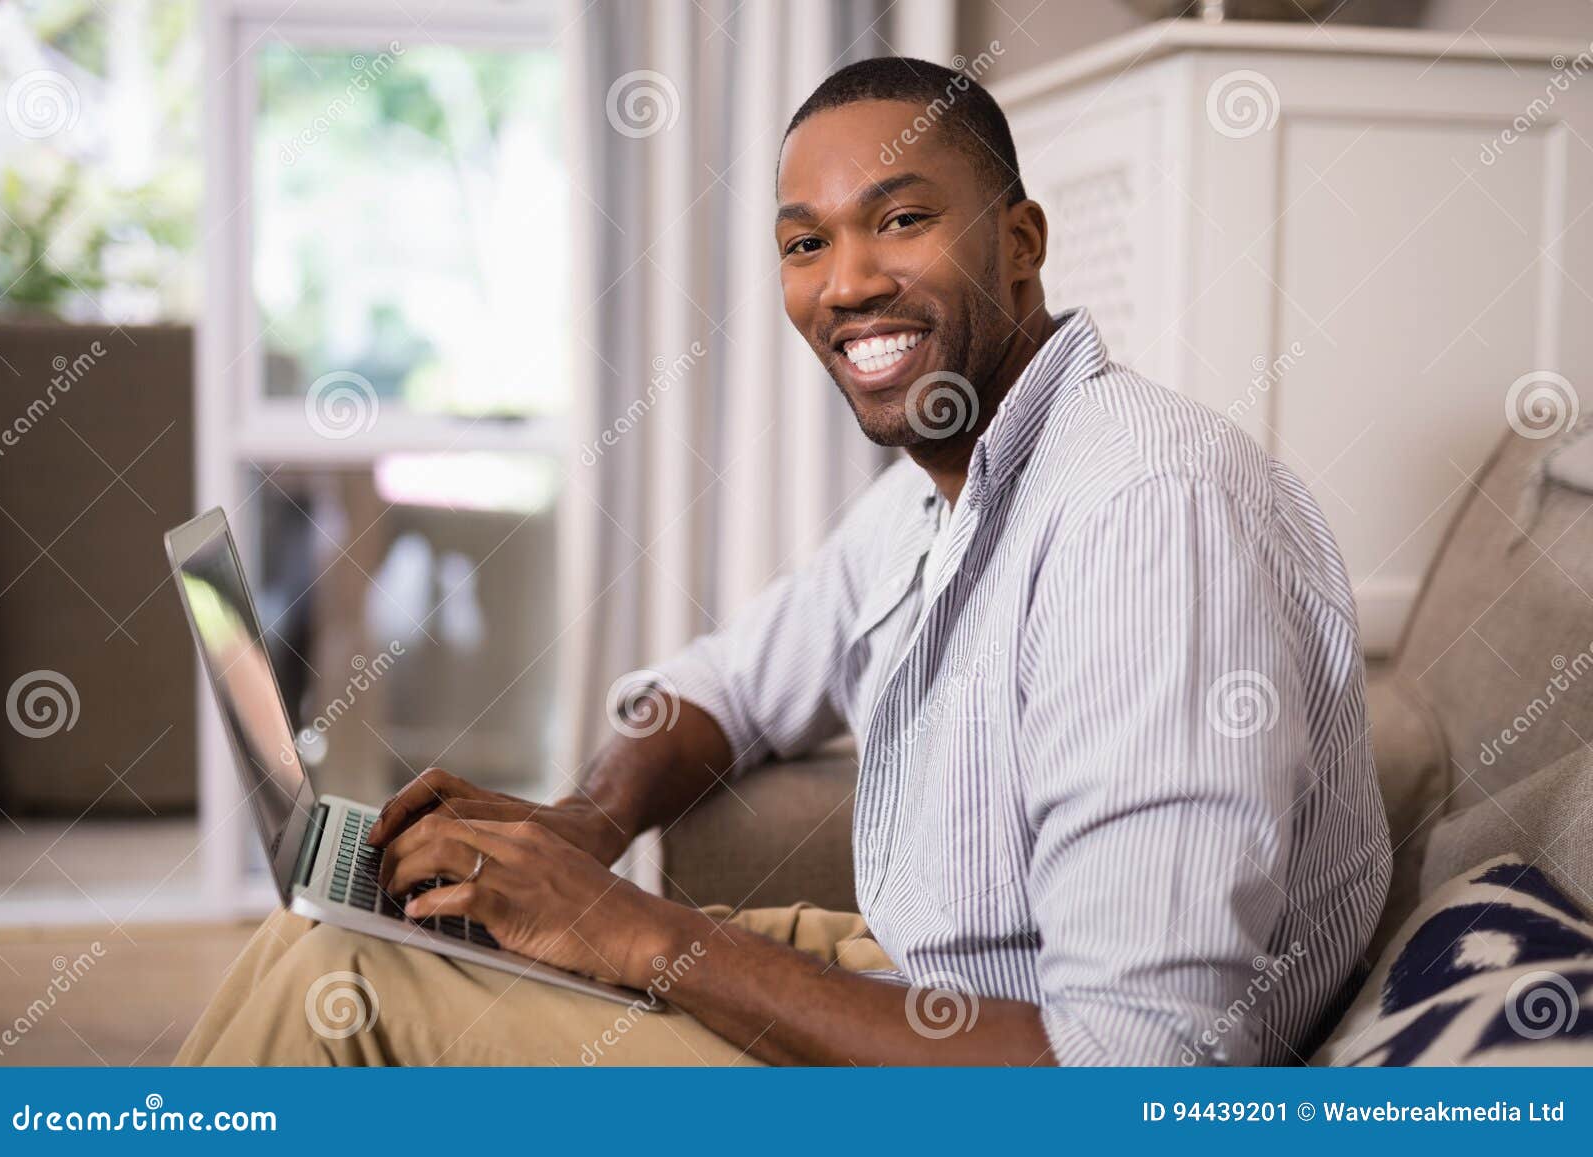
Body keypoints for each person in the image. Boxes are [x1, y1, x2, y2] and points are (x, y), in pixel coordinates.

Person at [177, 56, 1389, 1067]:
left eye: (901, 220)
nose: (847, 282)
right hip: (918, 991)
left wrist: (632, 932)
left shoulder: (1144, 512)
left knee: (347, 970)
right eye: (805, 242)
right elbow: (723, 682)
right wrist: (587, 823)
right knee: (347, 933)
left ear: (1020, 240)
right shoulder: (941, 489)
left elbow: (1134, 1071)